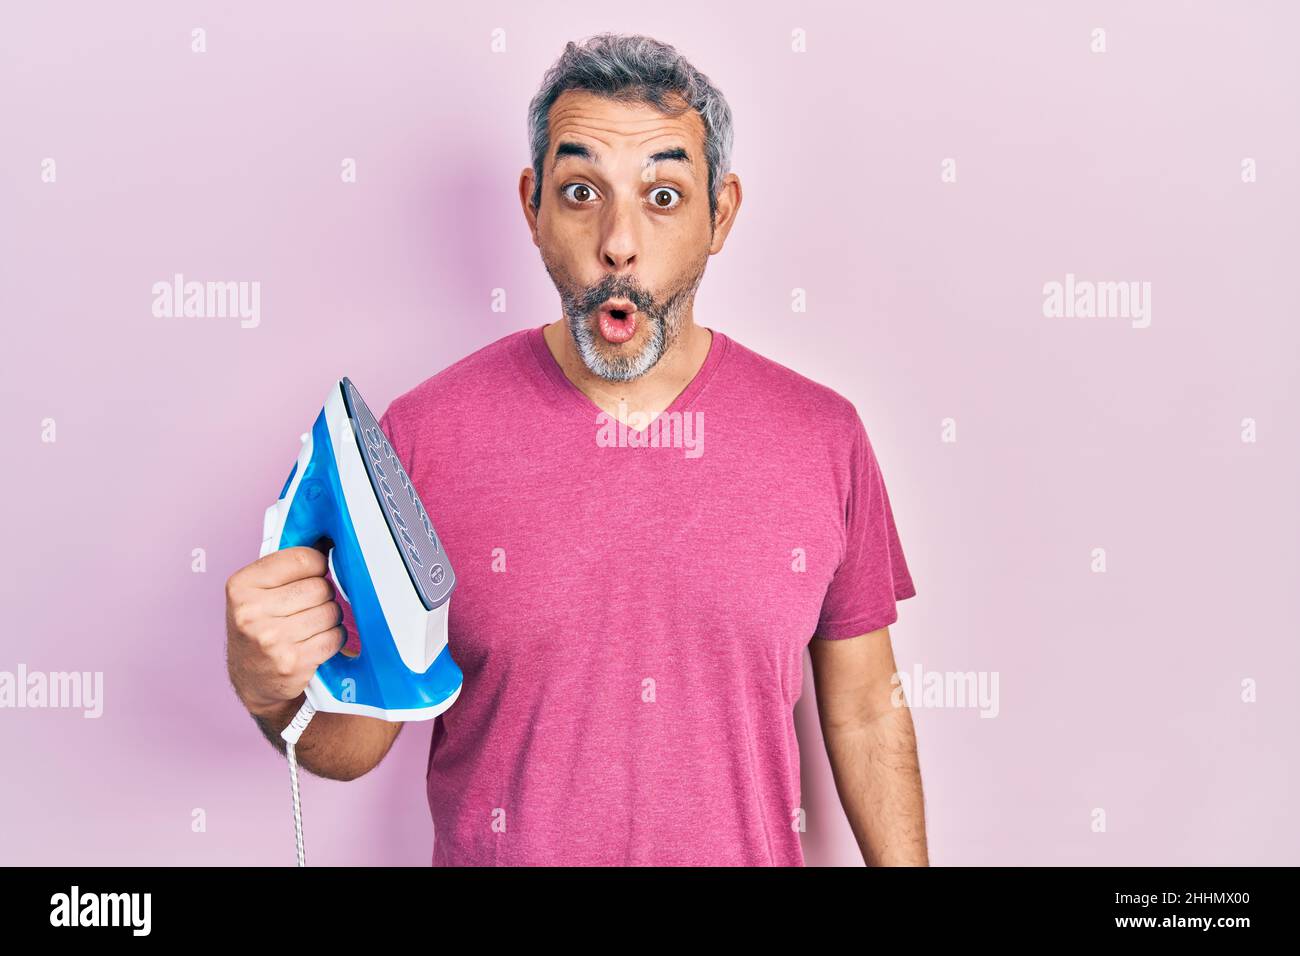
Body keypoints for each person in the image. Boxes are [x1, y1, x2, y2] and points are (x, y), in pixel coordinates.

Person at [225, 32, 923, 866]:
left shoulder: (824, 436)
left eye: (663, 196)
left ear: (721, 214)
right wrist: (267, 688)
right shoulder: (423, 438)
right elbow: (356, 744)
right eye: (581, 190)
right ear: (533, 207)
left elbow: (866, 710)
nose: (618, 243)